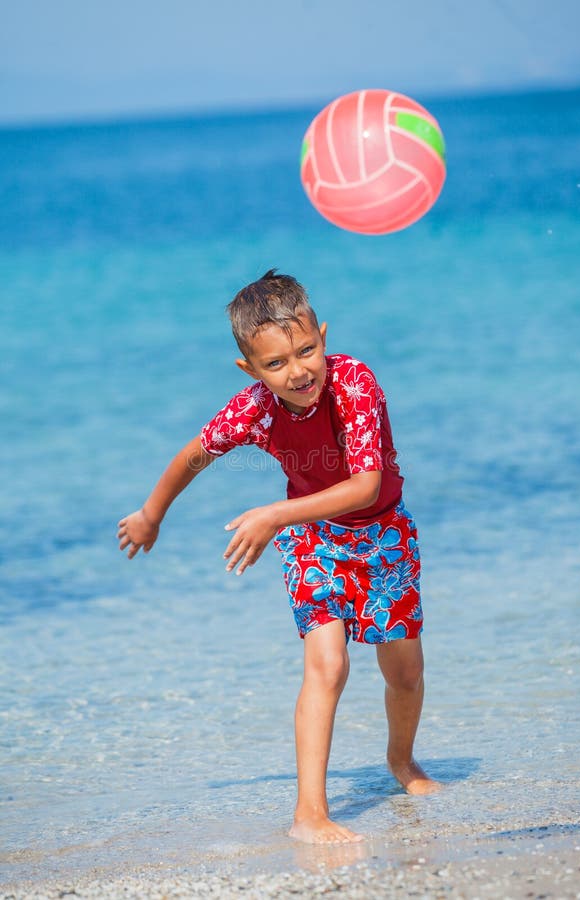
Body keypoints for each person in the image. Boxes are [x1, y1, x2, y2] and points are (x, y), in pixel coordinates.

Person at [117, 269, 439, 844]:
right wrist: (150, 514)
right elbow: (195, 454)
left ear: (322, 333)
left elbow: (367, 485)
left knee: (405, 672)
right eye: (276, 364)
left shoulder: (355, 383)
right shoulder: (255, 409)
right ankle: (309, 814)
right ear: (251, 371)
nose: (298, 371)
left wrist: (271, 514)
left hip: (384, 535)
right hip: (313, 539)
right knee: (328, 665)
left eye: (307, 350)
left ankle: (402, 761)